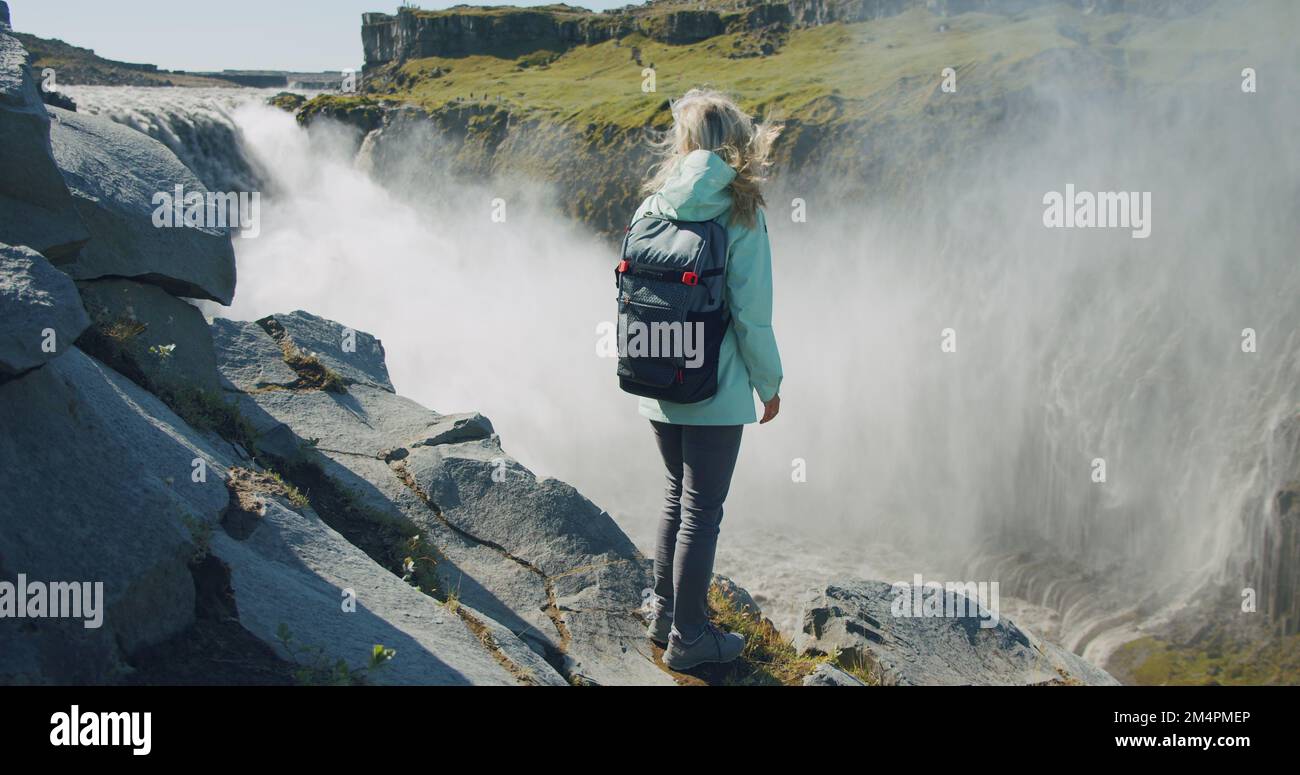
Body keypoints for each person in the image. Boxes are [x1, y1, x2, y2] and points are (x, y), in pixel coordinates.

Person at [632, 88, 783, 671]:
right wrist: (769, 384)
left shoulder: (652, 205)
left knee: (676, 497)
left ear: (686, 142)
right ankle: (690, 639)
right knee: (702, 510)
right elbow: (751, 313)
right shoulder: (741, 210)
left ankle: (667, 615)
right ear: (739, 145)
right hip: (714, 387)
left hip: (657, 373)